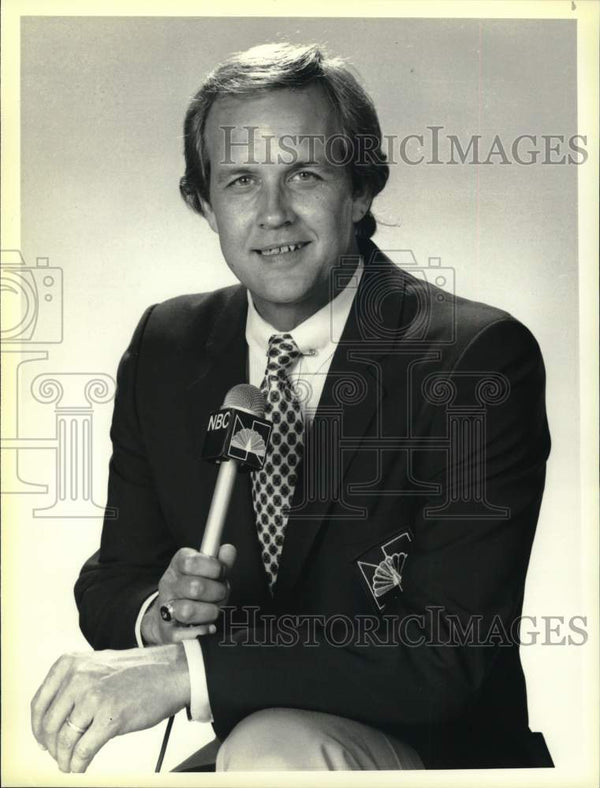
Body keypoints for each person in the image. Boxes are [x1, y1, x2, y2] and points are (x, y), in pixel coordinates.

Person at [30, 42, 553, 773]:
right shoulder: (167, 344)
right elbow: (113, 579)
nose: (273, 213)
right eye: (242, 180)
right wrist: (163, 611)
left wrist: (190, 672)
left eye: (304, 174)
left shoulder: (474, 359)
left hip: (436, 758)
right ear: (203, 203)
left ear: (362, 189)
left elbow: (446, 652)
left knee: (267, 754)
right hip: (255, 751)